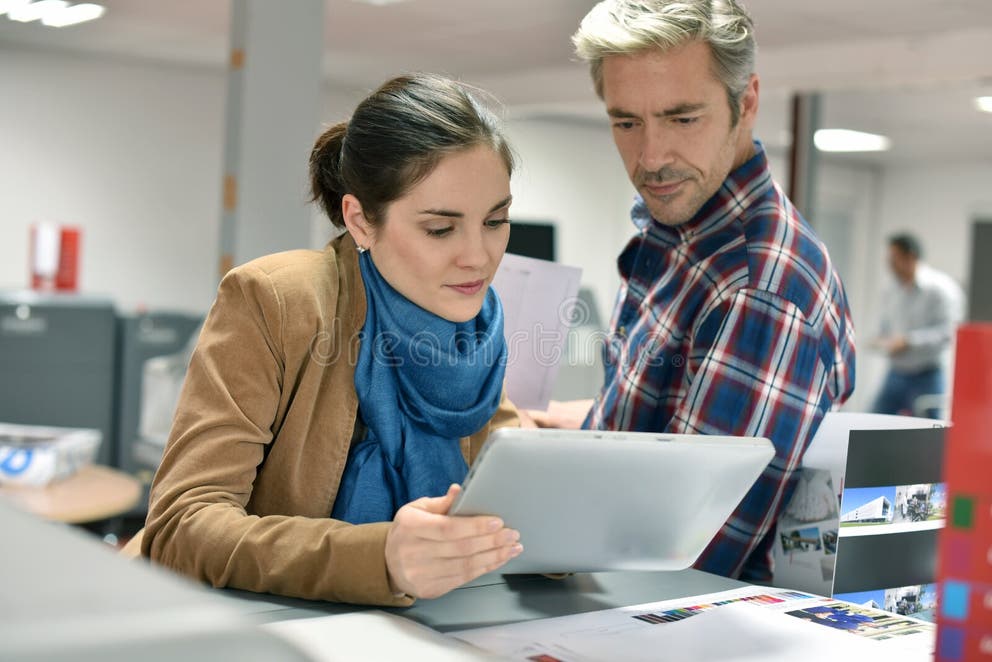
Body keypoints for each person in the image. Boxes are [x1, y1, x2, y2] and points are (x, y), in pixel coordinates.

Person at [141, 74, 525, 606]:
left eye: (496, 220)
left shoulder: (473, 328)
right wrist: (380, 557)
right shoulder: (275, 300)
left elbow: (518, 503)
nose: (479, 257)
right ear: (361, 221)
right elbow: (182, 526)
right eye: (441, 229)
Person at [530, 0, 856, 582]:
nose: (651, 157)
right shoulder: (684, 231)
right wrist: (578, 429)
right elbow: (663, 429)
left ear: (747, 101)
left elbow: (681, 552)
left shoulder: (757, 290)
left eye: (682, 119)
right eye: (626, 122)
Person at [871, 233, 963, 418]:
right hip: (897, 372)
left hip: (928, 374)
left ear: (910, 257)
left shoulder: (941, 289)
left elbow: (949, 333)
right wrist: (883, 340)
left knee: (929, 433)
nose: (889, 263)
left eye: (894, 258)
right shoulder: (891, 288)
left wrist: (909, 341)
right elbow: (887, 325)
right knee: (873, 421)